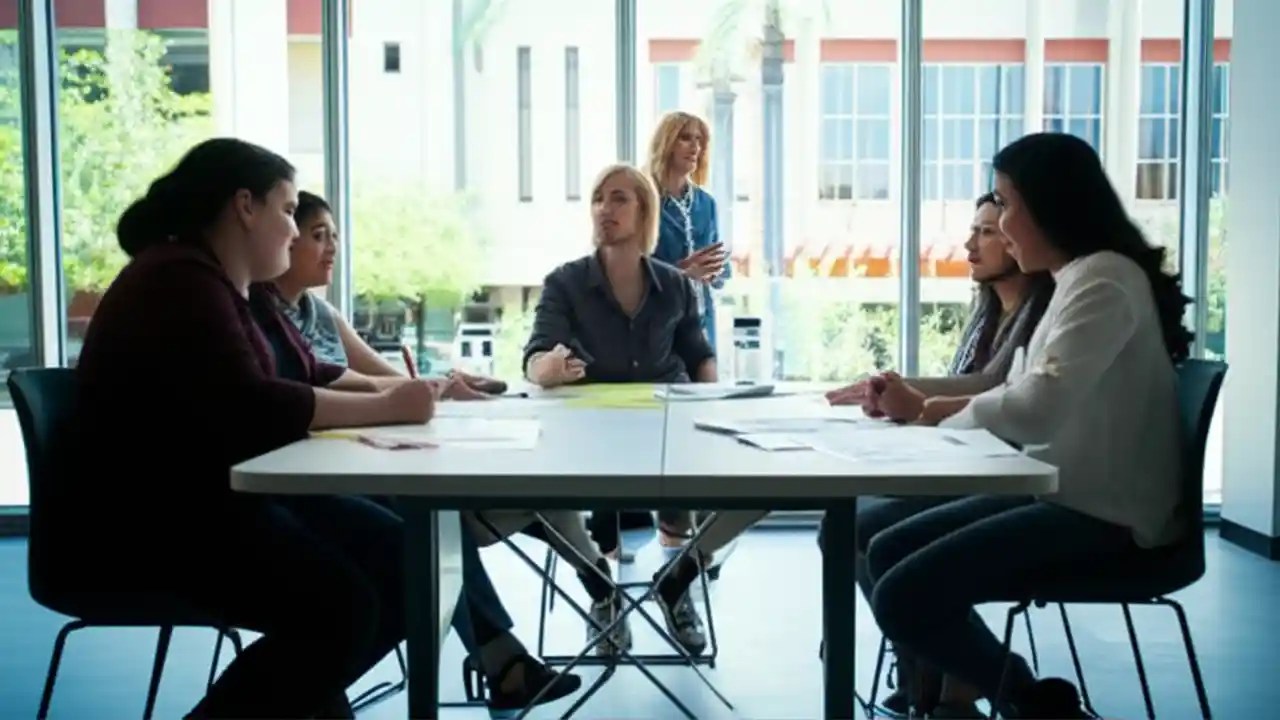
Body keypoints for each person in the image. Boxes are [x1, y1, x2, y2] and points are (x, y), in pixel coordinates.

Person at [67, 138, 436, 719]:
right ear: (245, 207)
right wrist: (389, 406)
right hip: (155, 524)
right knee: (346, 607)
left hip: (208, 499)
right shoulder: (180, 282)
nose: (294, 230)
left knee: (405, 559)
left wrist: (396, 396)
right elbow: (254, 405)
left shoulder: (209, 282)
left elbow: (289, 378)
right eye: (288, 210)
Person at [863, 132, 1193, 719]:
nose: (999, 222)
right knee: (884, 544)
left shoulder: (1103, 280)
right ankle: (1001, 698)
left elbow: (1034, 405)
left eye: (1005, 204)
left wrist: (935, 416)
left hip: (1104, 513)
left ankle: (1026, 699)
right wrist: (939, 414)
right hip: (1066, 492)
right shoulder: (1081, 279)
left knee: (903, 591)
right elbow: (1019, 394)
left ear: (1051, 205)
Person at [247, 189, 584, 712]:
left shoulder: (322, 313)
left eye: (333, 235)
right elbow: (354, 387)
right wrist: (411, 395)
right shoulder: (260, 317)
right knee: (425, 523)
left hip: (362, 451)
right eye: (316, 235)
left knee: (430, 515)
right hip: (323, 469)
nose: (330, 247)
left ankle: (503, 656)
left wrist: (444, 384)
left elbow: (383, 378)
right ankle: (502, 658)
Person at [821, 193, 1054, 715]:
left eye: (989, 231)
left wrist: (910, 395)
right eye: (974, 230)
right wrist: (895, 391)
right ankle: (928, 671)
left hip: (1008, 471)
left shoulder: (1047, 311)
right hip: (974, 460)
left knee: (857, 528)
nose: (971, 243)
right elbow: (976, 386)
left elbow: (995, 388)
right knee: (847, 522)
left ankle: (952, 678)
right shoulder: (988, 310)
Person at [523, 163, 765, 656]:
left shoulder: (674, 285)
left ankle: (678, 577)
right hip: (589, 439)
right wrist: (549, 366)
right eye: (597, 199)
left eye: (618, 199)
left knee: (760, 484)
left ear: (644, 212)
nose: (603, 210)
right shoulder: (564, 283)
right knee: (537, 492)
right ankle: (599, 588)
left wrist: (711, 406)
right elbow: (535, 359)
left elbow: (698, 354)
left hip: (669, 434)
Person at [645, 110, 729, 549]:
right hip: (657, 328)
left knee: (701, 427)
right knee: (667, 431)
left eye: (700, 139)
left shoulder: (707, 203)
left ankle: (687, 537)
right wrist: (683, 271)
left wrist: (713, 272)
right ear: (667, 143)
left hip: (700, 325)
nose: (694, 147)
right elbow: (633, 272)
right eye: (685, 138)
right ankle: (670, 533)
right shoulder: (645, 199)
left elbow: (720, 269)